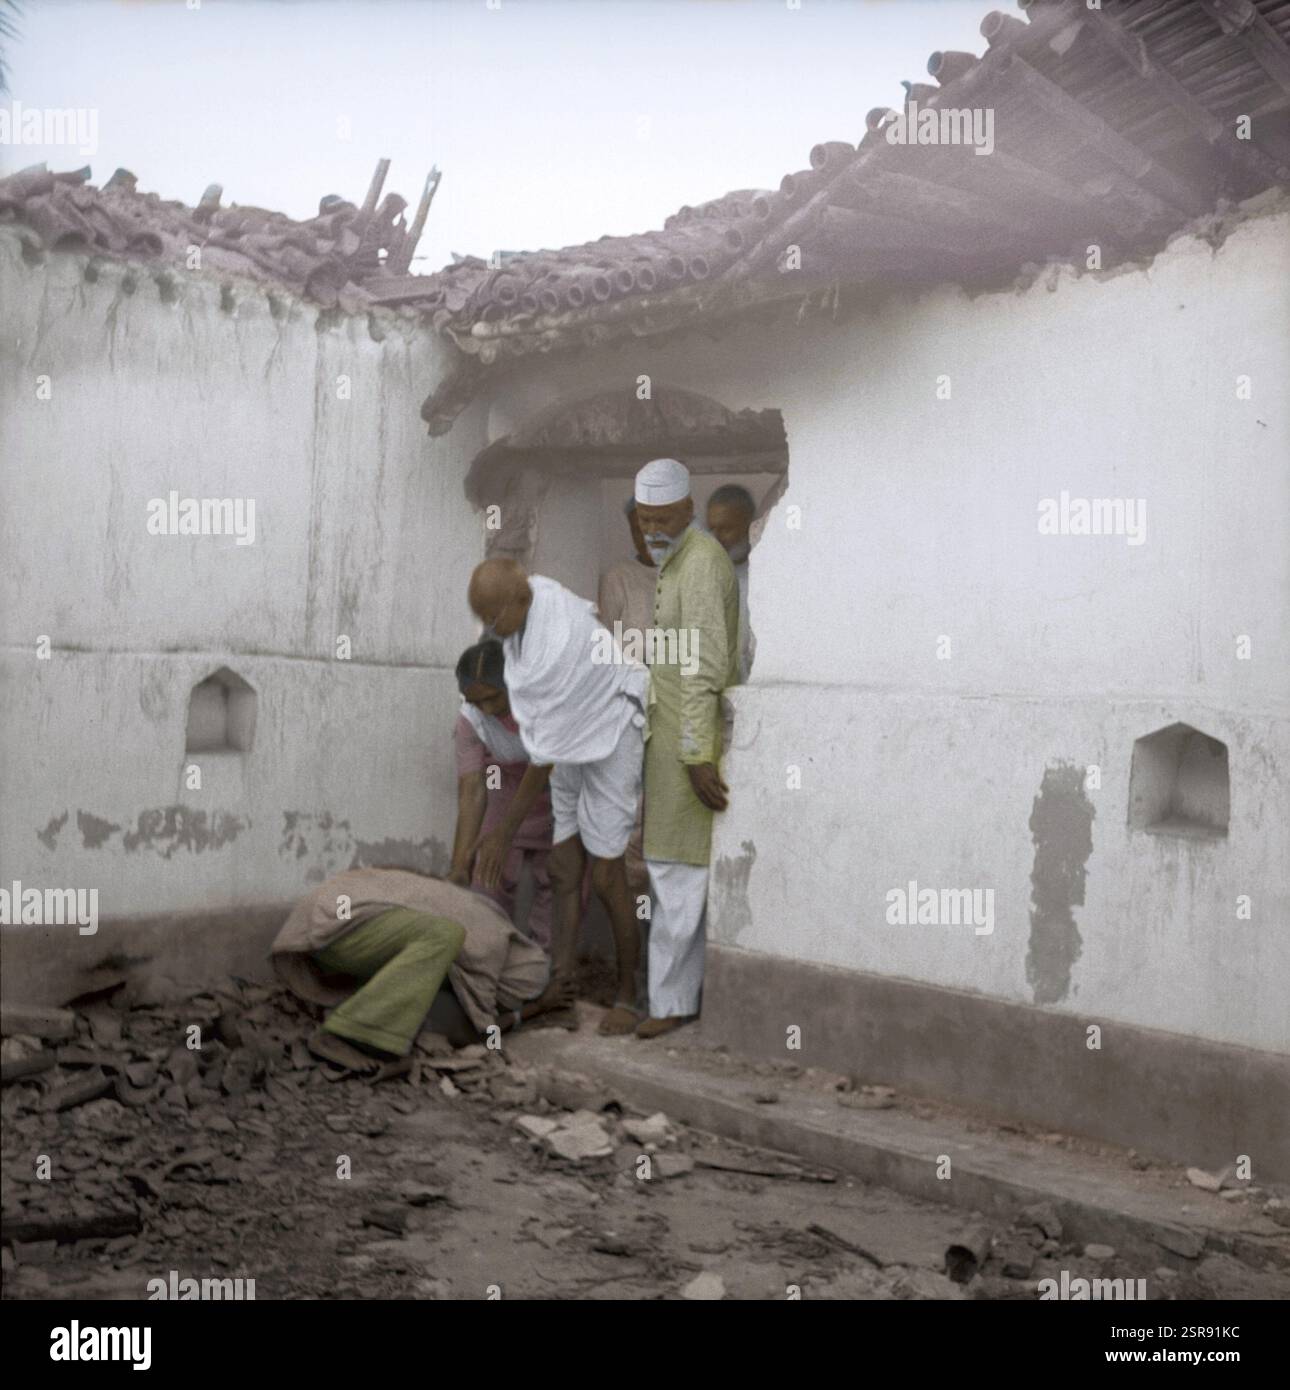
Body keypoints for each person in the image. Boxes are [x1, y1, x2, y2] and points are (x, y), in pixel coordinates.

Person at [467, 557, 648, 1036]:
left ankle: (631, 995)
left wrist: (503, 832)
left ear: (522, 600)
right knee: (564, 867)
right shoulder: (526, 609)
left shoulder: (558, 643)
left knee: (607, 873)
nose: (489, 629)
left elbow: (541, 758)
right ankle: (561, 991)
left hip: (611, 729)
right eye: (481, 618)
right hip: (570, 734)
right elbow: (545, 738)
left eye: (493, 618)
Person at [270, 866, 572, 1071]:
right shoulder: (489, 948)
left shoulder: (487, 918)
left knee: (428, 953)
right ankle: (342, 1035)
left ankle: (355, 1013)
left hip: (329, 917)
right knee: (444, 935)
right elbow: (480, 1031)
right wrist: (534, 1011)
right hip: (334, 925)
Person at [634, 458, 739, 1039]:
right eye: (646, 518)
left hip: (686, 744)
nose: (653, 528)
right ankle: (674, 997)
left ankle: (672, 1003)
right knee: (672, 869)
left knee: (677, 872)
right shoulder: (673, 560)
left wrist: (699, 750)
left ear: (688, 508)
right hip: (667, 737)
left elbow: (704, 662)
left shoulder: (700, 562)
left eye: (664, 517)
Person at [449, 639, 554, 950]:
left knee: (561, 879)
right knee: (487, 877)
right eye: (475, 701)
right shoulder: (470, 719)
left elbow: (544, 765)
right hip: (506, 786)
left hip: (560, 788)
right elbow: (472, 789)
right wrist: (459, 867)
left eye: (493, 698)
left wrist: (504, 833)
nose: (487, 709)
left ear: (512, 682)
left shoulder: (542, 702)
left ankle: (544, 968)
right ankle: (490, 955)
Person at [597, 498, 658, 899]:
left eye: (654, 523)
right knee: (633, 822)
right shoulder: (619, 577)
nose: (647, 533)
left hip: (675, 716)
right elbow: (606, 653)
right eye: (637, 525)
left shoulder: (690, 573)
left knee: (666, 826)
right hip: (632, 715)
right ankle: (633, 944)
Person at [705, 483, 756, 684]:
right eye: (712, 529)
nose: (717, 538)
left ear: (750, 525)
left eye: (726, 529)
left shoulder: (769, 577)